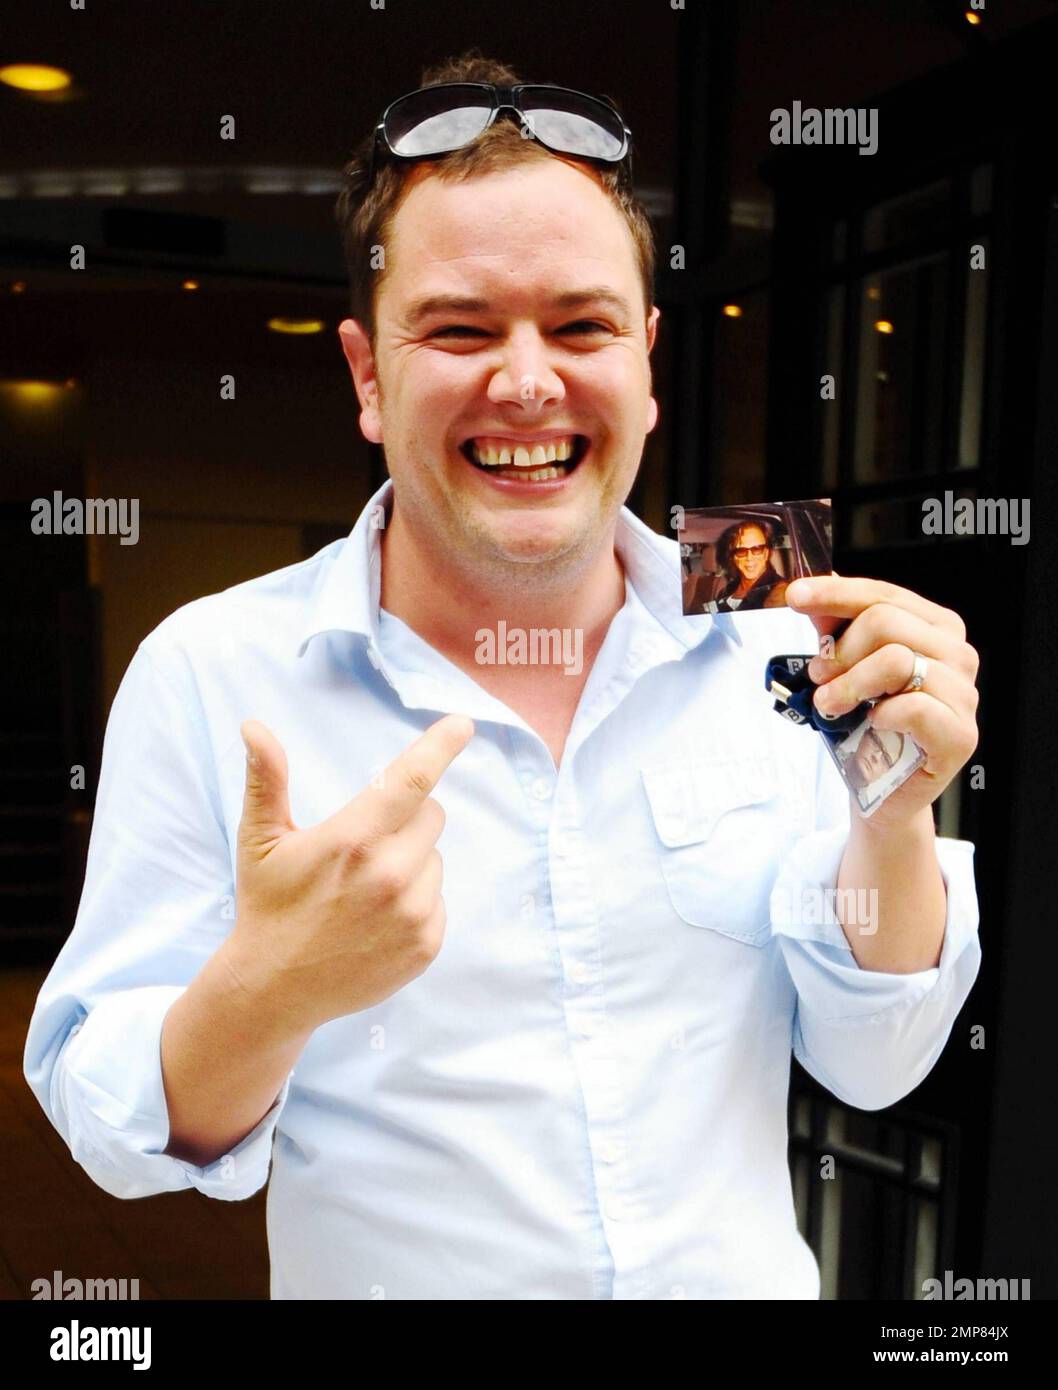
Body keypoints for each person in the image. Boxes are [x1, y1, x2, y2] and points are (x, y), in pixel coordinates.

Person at [24, 52, 983, 1301]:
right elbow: (113, 1139)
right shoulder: (216, 669)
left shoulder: (776, 631)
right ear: (369, 375)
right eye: (461, 328)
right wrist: (270, 987)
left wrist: (894, 808)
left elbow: (874, 1063)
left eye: (579, 325)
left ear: (643, 361)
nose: (526, 380)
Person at [713, 520, 789, 611]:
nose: (749, 558)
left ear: (766, 553)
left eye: (757, 550)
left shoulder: (779, 591)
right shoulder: (727, 590)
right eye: (741, 551)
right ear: (733, 557)